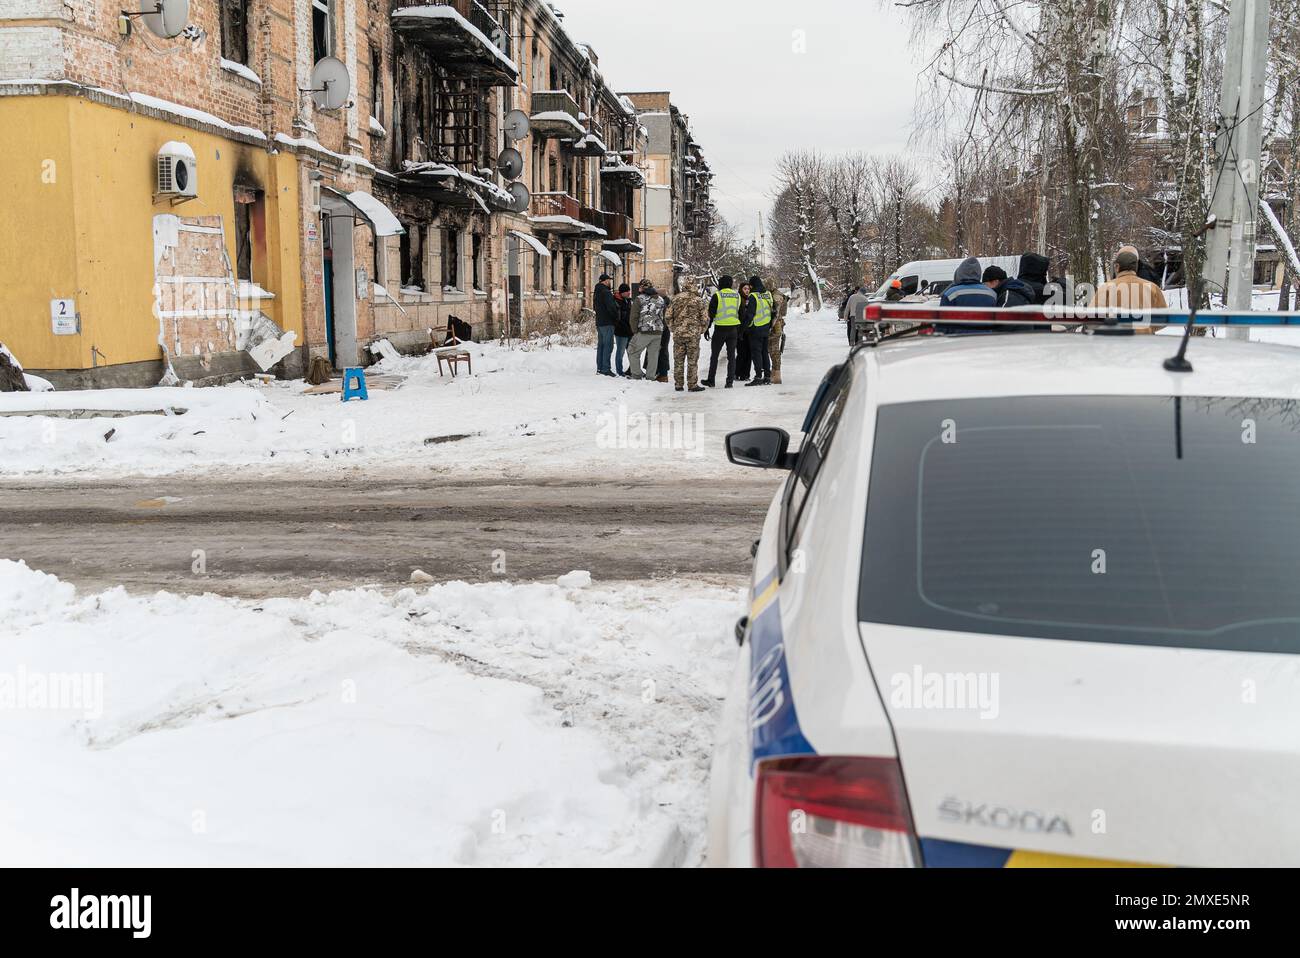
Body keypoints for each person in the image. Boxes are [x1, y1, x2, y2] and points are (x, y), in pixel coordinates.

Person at [1090, 245, 1168, 312]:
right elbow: (1163, 317)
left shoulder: (1105, 288)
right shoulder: (1152, 286)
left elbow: (1092, 316)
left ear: (1117, 266)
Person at [665, 278, 709, 392]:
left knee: (678, 360)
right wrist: (701, 330)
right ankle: (692, 384)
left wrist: (673, 328)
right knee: (692, 361)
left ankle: (678, 384)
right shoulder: (699, 300)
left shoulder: (675, 299)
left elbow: (668, 316)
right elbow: (705, 318)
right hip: (693, 335)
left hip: (679, 334)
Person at [935, 257, 998, 334]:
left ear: (960, 272)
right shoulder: (992, 294)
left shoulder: (950, 294)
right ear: (979, 273)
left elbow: (942, 324)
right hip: (984, 341)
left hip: (958, 341)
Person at [702, 275, 742, 388]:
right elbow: (741, 313)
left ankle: (711, 380)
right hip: (733, 329)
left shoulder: (717, 295)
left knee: (714, 356)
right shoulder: (737, 296)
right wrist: (740, 330)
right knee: (731, 356)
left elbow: (711, 314)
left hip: (720, 329)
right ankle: (729, 382)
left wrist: (707, 329)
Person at [627, 280, 667, 380]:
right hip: (658, 332)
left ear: (642, 288)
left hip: (644, 331)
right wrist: (662, 328)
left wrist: (634, 330)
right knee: (653, 355)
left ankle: (636, 375)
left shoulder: (639, 299)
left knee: (632, 351)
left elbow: (634, 316)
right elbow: (665, 316)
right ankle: (650, 377)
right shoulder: (661, 299)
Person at [745, 276, 775, 386]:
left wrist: (744, 328)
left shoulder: (753, 296)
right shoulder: (767, 294)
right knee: (764, 352)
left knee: (756, 353)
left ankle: (758, 376)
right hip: (766, 327)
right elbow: (772, 310)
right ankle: (767, 376)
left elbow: (750, 314)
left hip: (755, 328)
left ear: (752, 285)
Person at [593, 273, 618, 377]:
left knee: (601, 346)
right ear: (606, 281)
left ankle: (600, 367)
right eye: (609, 280)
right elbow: (611, 308)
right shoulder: (606, 292)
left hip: (599, 322)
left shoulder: (596, 291)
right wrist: (616, 317)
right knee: (608, 346)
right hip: (607, 322)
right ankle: (606, 369)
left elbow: (594, 307)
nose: (610, 282)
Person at [768, 284, 790, 384]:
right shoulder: (779, 294)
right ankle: (774, 373)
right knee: (774, 350)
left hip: (775, 325)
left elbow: (776, 313)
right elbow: (784, 312)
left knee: (774, 350)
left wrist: (770, 326)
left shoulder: (776, 296)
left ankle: (776, 375)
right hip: (779, 324)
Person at [735, 281, 754, 381]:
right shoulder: (738, 299)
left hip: (750, 331)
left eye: (748, 289)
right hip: (740, 330)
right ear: (741, 289)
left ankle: (746, 374)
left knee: (749, 353)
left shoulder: (751, 299)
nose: (747, 291)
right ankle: (737, 373)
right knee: (741, 353)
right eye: (745, 289)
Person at [613, 283, 633, 377]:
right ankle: (619, 371)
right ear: (622, 292)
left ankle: (633, 369)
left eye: (629, 291)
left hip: (630, 331)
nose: (629, 293)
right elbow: (617, 319)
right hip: (621, 332)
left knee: (631, 352)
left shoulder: (628, 301)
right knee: (620, 352)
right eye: (627, 291)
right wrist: (623, 327)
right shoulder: (616, 302)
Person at [655, 284, 673, 383]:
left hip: (662, 331)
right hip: (665, 331)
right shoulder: (668, 302)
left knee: (661, 352)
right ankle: (662, 373)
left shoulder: (662, 304)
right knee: (663, 352)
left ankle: (662, 374)